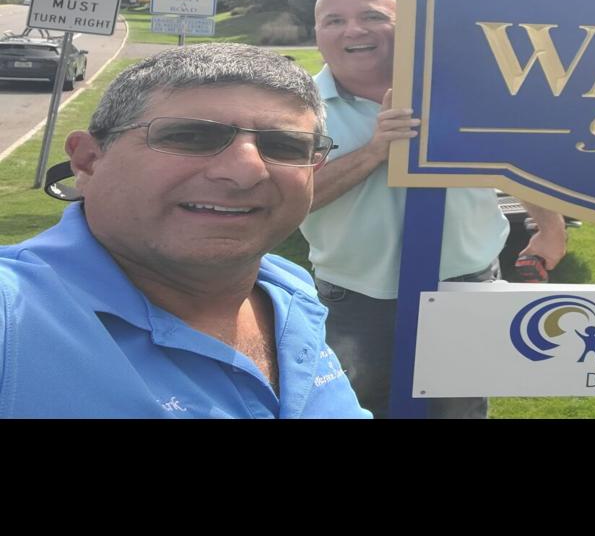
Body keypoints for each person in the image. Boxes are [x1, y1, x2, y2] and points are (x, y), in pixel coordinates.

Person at [0, 43, 370, 419]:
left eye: (285, 146)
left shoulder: (290, 291)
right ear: (89, 161)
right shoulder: (13, 315)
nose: (246, 172)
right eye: (192, 138)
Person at [300, 0, 567, 419]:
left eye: (371, 16)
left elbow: (511, 161)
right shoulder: (300, 109)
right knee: (352, 409)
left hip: (466, 283)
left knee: (457, 409)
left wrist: (551, 227)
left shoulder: (461, 91)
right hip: (356, 299)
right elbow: (292, 200)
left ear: (403, 28)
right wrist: (375, 151)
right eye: (335, 21)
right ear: (317, 35)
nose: (353, 30)